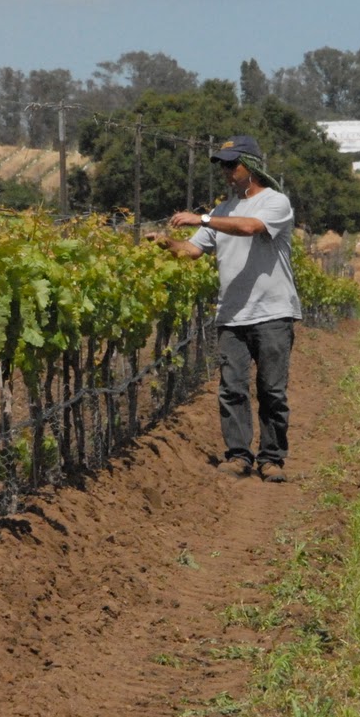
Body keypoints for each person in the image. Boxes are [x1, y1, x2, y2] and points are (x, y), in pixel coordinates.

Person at [146, 135, 302, 482]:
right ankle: (239, 456)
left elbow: (249, 228)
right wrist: (166, 244)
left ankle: (272, 458)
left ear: (252, 166)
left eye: (232, 164)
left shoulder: (275, 203)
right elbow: (192, 251)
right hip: (231, 314)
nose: (226, 171)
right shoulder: (221, 211)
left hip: (273, 312)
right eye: (223, 165)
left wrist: (200, 219)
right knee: (232, 387)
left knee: (272, 390)